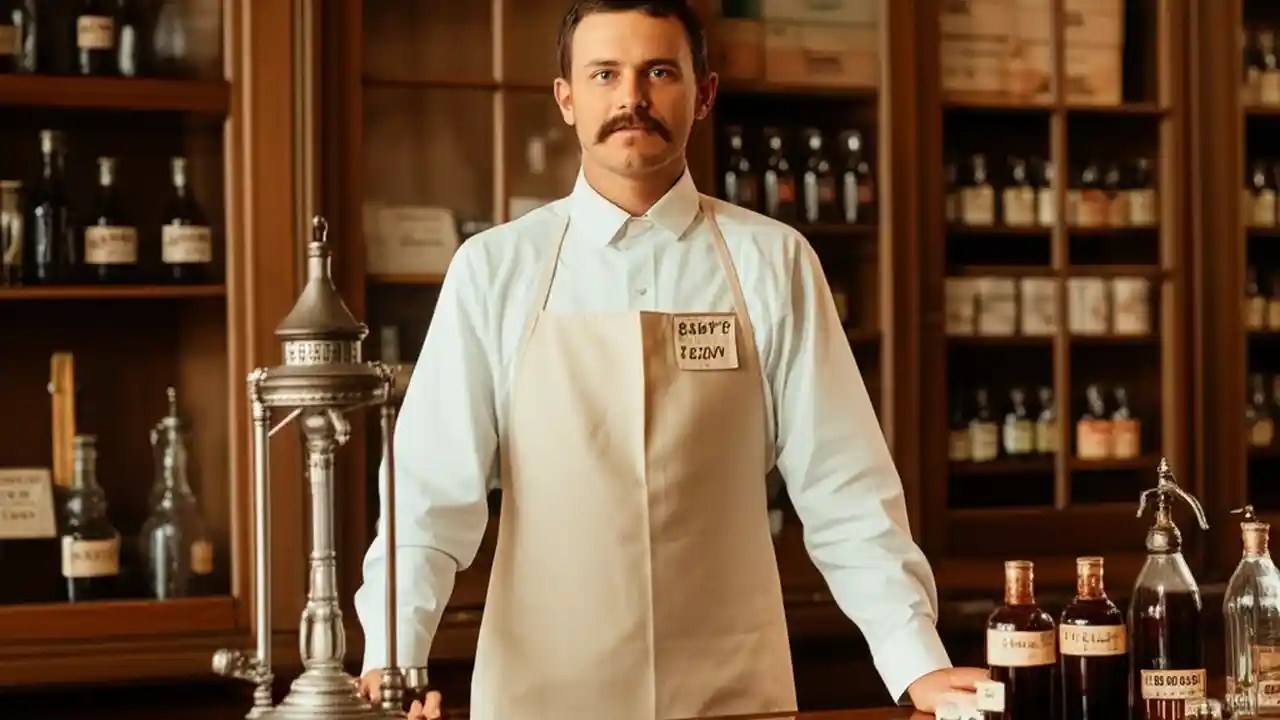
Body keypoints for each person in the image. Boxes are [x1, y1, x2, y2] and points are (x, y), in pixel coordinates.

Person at [354, 1, 986, 718]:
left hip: (732, 690)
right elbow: (429, 499)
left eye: (659, 72)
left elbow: (845, 488)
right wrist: (391, 661)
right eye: (604, 74)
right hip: (544, 694)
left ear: (704, 93)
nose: (632, 98)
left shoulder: (774, 261)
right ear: (566, 98)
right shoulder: (494, 269)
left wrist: (916, 661)